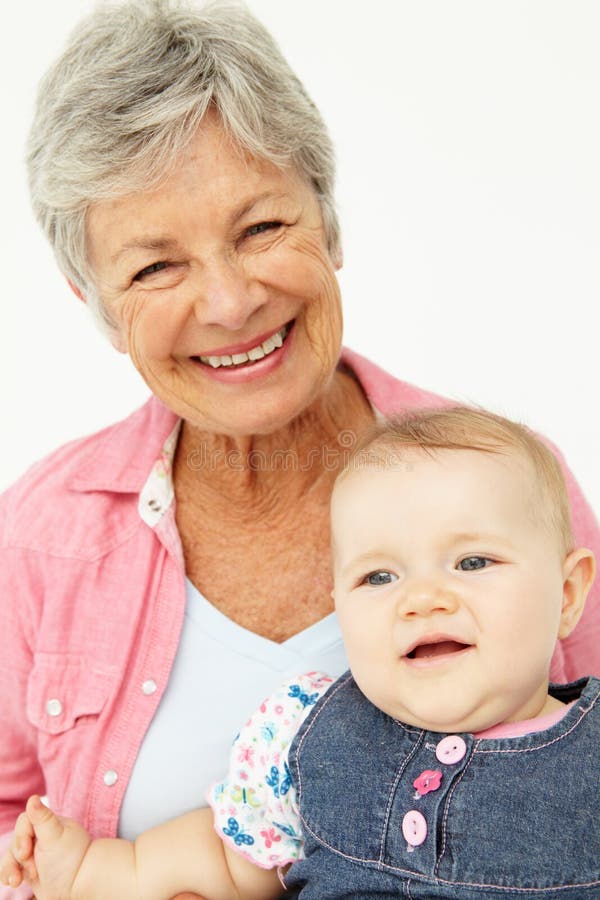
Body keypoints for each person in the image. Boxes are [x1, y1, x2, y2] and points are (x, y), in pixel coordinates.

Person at [1, 2, 599, 899]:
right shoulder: (44, 536)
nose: (231, 301)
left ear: (329, 220)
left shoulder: (509, 486)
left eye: (261, 228)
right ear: (93, 299)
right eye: (155, 266)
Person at [1, 407, 598, 899]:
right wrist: (85, 872)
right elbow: (224, 862)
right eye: (378, 578)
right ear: (337, 603)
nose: (421, 600)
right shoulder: (304, 734)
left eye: (472, 562)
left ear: (567, 594)